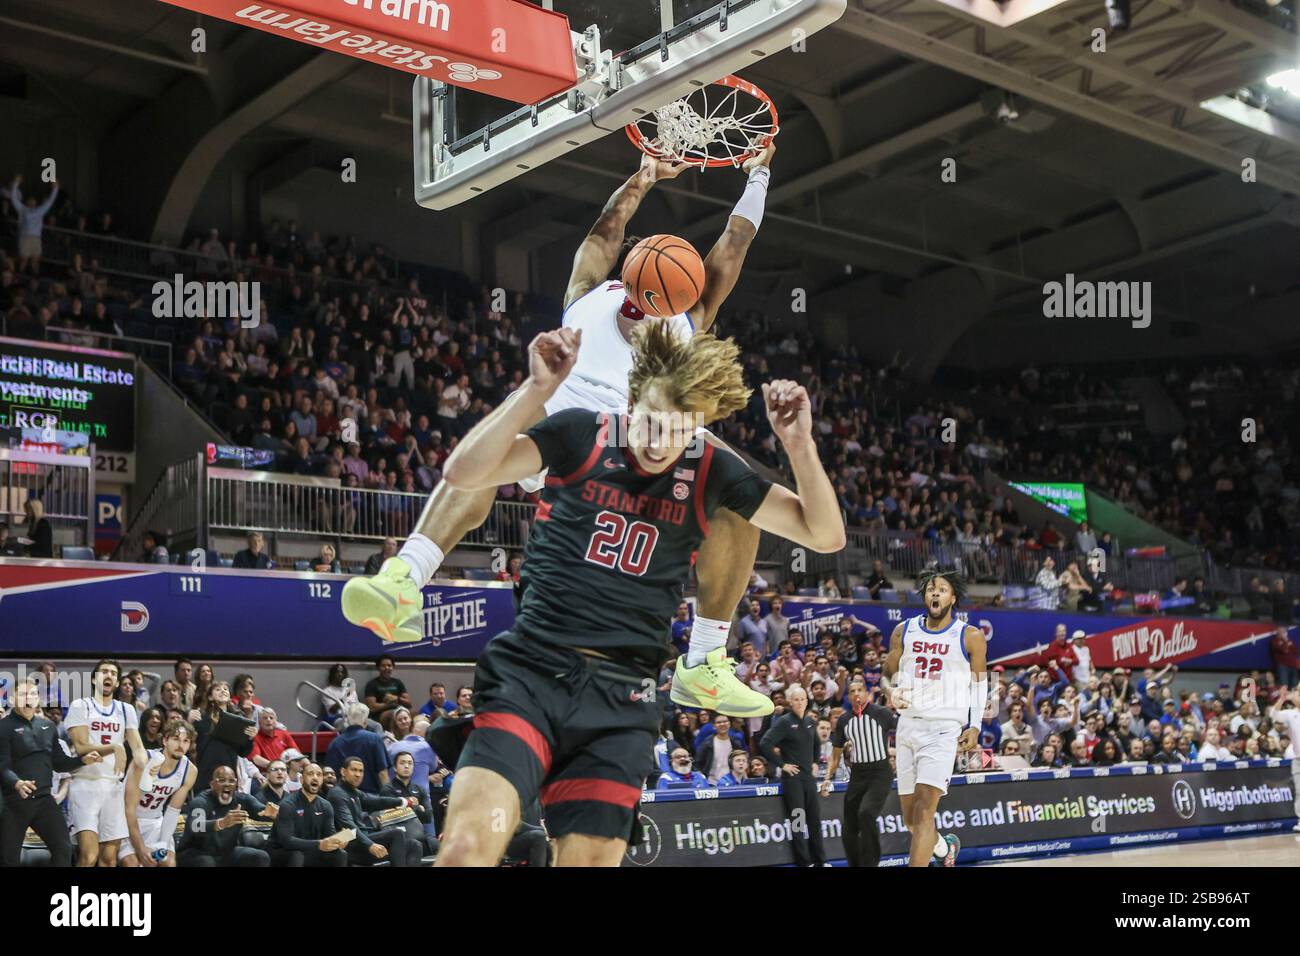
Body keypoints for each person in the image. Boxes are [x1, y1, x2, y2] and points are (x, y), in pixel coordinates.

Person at [343, 144, 780, 724]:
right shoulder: (588, 292)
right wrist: (643, 177)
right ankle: (404, 578)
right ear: (632, 269)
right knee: (495, 441)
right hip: (563, 423)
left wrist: (758, 176)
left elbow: (733, 244)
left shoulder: (688, 319)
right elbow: (607, 226)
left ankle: (702, 663)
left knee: (740, 491)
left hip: (631, 437)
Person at [427, 309, 843, 867]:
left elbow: (825, 535)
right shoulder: (579, 433)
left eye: (678, 431)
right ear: (631, 402)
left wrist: (799, 447)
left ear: (697, 428)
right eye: (650, 422)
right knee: (467, 847)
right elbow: (463, 471)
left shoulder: (711, 468)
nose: (659, 442)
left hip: (623, 699)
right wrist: (534, 389)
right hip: (531, 673)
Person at [883, 568, 987, 868]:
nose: (935, 593)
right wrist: (891, 691)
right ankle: (944, 849)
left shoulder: (970, 636)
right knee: (912, 821)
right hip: (907, 727)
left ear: (953, 597)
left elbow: (979, 683)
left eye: (941, 589)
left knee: (925, 812)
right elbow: (888, 674)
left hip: (943, 729)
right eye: (930, 588)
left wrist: (975, 725)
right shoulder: (904, 630)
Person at [0, 680, 102, 866]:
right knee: (8, 858)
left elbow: (59, 763)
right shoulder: (4, 727)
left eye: (32, 694)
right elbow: (2, 766)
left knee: (64, 849)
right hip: (14, 802)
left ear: (38, 698)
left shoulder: (48, 727)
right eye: (23, 694)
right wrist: (17, 783)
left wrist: (81, 760)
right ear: (13, 699)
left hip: (44, 800)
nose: (28, 698)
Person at [65, 659, 148, 867]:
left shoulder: (126, 709)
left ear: (118, 683)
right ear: (94, 679)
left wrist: (145, 763)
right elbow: (82, 745)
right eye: (104, 672)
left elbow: (138, 747)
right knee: (89, 856)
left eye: (113, 673)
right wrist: (115, 747)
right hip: (85, 784)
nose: (109, 675)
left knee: (110, 859)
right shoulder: (80, 705)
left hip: (113, 787)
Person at [821, 678, 897, 867]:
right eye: (852, 691)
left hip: (880, 772)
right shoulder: (845, 720)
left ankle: (871, 863)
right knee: (849, 827)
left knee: (866, 814)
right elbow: (835, 755)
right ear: (848, 696)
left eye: (860, 690)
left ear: (866, 693)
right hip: (858, 774)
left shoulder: (882, 713)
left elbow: (905, 731)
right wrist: (826, 779)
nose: (856, 694)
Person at [760, 685, 825, 866]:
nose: (799, 702)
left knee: (814, 822)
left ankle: (820, 861)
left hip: (809, 780)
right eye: (796, 699)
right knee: (798, 822)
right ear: (790, 701)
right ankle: (804, 862)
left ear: (807, 700)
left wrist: (815, 763)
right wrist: (782, 765)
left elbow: (816, 744)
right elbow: (765, 742)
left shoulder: (811, 721)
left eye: (802, 699)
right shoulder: (784, 721)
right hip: (793, 780)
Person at [121, 719, 198, 868]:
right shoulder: (144, 760)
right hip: (126, 820)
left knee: (168, 862)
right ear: (165, 740)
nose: (180, 745)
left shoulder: (190, 770)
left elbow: (172, 811)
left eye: (186, 741)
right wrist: (141, 848)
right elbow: (129, 809)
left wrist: (163, 843)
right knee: (132, 864)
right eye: (176, 739)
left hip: (154, 821)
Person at [327, 755, 422, 867]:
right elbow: (348, 826)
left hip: (362, 840)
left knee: (414, 845)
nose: (358, 775)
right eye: (354, 770)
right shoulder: (337, 794)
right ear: (343, 771)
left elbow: (378, 801)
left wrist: (403, 801)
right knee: (396, 834)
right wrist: (370, 845)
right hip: (349, 844)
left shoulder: (354, 792)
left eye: (361, 771)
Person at [178, 765, 277, 867]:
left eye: (231, 781)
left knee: (260, 857)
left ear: (236, 784)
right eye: (221, 780)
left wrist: (272, 814)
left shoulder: (243, 799)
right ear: (212, 784)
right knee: (206, 863)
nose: (227, 784)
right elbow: (196, 826)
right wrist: (222, 823)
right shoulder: (201, 801)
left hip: (226, 852)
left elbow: (261, 811)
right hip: (196, 852)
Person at [272, 762, 350, 867]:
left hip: (312, 851)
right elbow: (286, 841)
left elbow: (329, 835)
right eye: (310, 774)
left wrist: (338, 841)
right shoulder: (287, 804)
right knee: (297, 855)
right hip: (283, 852)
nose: (315, 778)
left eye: (319, 774)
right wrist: (319, 844)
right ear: (302, 779)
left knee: (340, 854)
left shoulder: (326, 806)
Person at [194, 680, 257, 791]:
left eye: (225, 689)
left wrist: (250, 738)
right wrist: (189, 721)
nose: (222, 691)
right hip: (206, 773)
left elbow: (243, 752)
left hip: (229, 773)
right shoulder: (201, 718)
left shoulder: (239, 718)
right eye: (218, 689)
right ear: (210, 697)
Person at [326, 703, 391, 792]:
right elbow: (383, 773)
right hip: (372, 798)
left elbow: (332, 775)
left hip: (345, 797)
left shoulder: (335, 743)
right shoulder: (375, 739)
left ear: (348, 720)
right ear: (365, 722)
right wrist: (390, 798)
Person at [4, 174, 59, 273]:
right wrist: (16, 183)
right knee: (23, 261)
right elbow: (13, 198)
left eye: (33, 201)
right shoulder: (22, 209)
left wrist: (55, 188)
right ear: (27, 201)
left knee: (35, 262)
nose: (32, 202)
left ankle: (35, 280)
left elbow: (50, 201)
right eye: (30, 200)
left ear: (36, 202)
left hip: (36, 238)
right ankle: (20, 278)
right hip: (24, 237)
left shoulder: (40, 210)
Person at [363, 655, 411, 719]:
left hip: (398, 713)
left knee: (411, 715)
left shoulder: (398, 682)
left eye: (389, 665)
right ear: (378, 668)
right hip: (380, 715)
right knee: (395, 715)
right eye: (383, 666)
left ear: (393, 667)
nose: (386, 668)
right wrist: (388, 704)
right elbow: (371, 707)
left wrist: (396, 698)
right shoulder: (372, 684)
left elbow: (409, 704)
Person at [249, 707, 296, 771]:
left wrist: (308, 765)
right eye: (265, 718)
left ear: (275, 721)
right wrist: (277, 767)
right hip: (266, 774)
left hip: (286, 772)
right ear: (259, 722)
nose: (268, 720)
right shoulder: (255, 737)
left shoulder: (284, 734)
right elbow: (256, 759)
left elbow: (297, 754)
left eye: (271, 718)